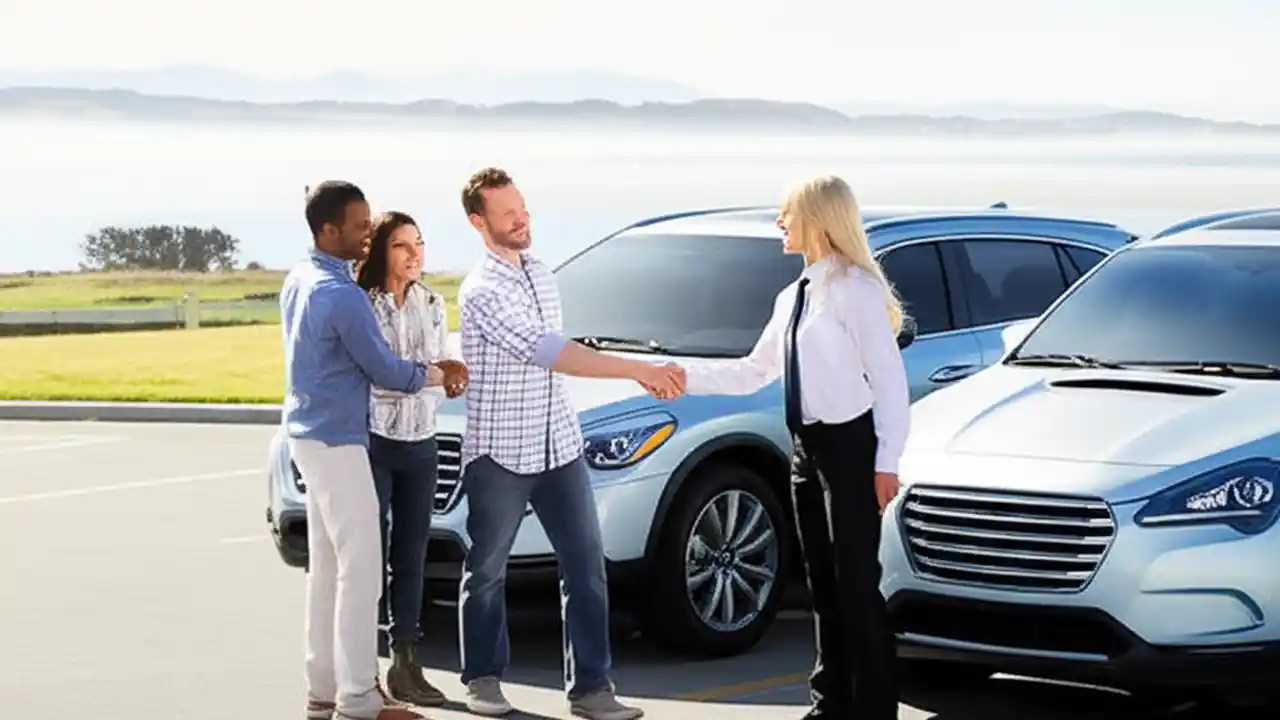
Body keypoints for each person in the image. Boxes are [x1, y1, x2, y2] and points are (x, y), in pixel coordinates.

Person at [677, 174, 909, 719]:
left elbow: (890, 382)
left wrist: (886, 462)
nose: (779, 222)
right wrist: (679, 376)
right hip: (805, 451)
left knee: (856, 585)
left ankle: (873, 709)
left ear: (819, 218)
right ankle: (830, 704)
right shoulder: (795, 295)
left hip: (851, 449)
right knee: (822, 586)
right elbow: (754, 371)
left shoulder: (855, 289)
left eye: (787, 213)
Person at [454, 167, 681, 720]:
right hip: (502, 452)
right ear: (478, 221)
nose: (522, 219)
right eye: (508, 214)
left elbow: (561, 349)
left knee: (585, 568)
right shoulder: (482, 290)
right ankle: (483, 680)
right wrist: (637, 370)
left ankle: (591, 690)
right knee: (487, 570)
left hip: (559, 444)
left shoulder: (540, 273)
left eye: (523, 207)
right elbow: (548, 350)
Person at [282, 181, 429, 720]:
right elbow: (387, 370)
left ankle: (324, 690)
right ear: (328, 229)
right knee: (362, 569)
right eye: (360, 225)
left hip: (304, 436)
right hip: (339, 442)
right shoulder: (342, 295)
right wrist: (437, 373)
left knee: (326, 569)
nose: (369, 233)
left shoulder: (300, 278)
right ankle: (360, 698)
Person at [354, 210, 469, 708]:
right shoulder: (363, 305)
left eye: (419, 243)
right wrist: (432, 374)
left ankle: (407, 662)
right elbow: (380, 374)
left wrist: (427, 376)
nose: (414, 253)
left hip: (422, 442)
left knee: (411, 557)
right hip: (375, 442)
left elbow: (436, 373)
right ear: (382, 250)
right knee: (368, 557)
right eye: (402, 245)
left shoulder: (432, 302)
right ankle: (364, 666)